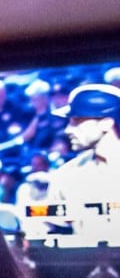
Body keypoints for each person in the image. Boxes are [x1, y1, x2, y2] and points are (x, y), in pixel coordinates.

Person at [46, 83, 120, 242]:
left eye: (76, 121)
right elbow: (55, 233)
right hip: (84, 257)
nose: (68, 130)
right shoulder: (67, 174)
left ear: (106, 123)